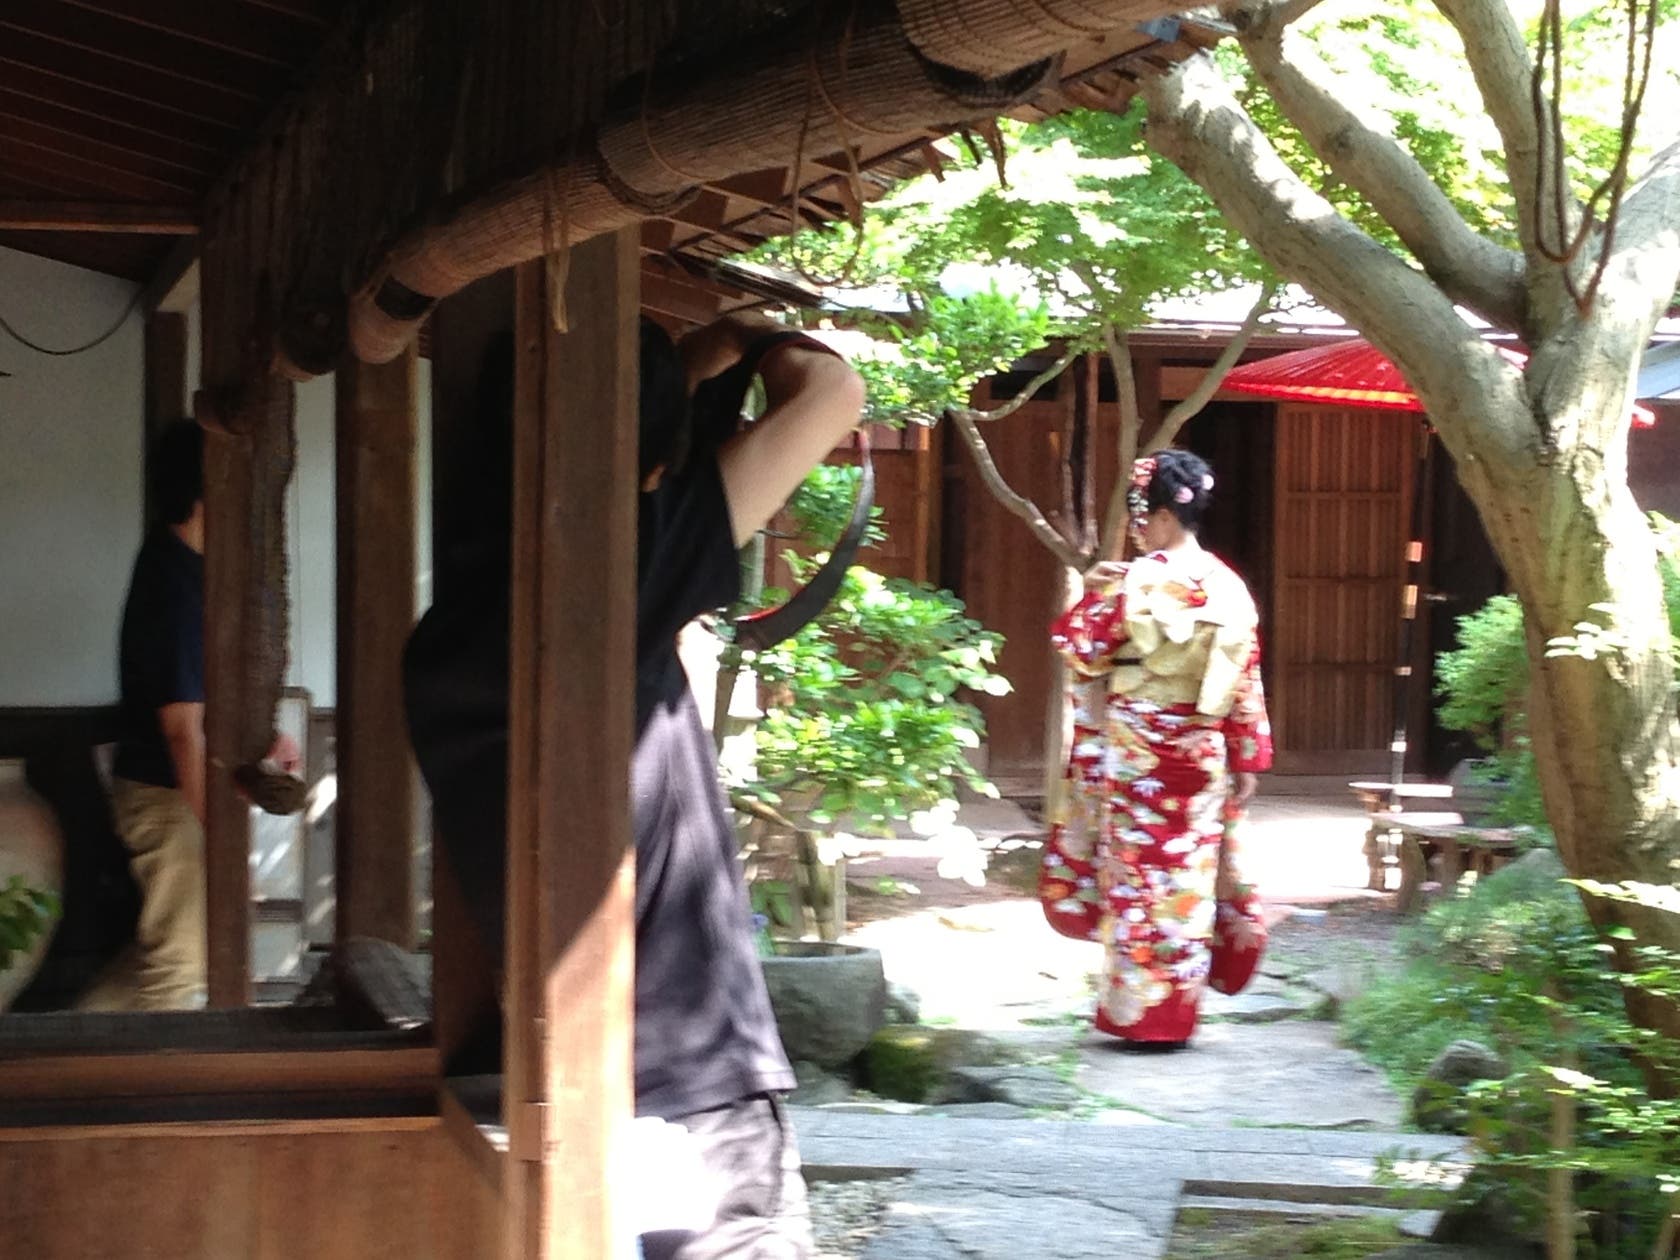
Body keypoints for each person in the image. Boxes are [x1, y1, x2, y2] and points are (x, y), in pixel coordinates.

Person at [404, 312, 864, 1259]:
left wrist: (685, 377)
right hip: (695, 1092)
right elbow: (834, 397)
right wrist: (767, 335)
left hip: (572, 1074)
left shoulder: (456, 631)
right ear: (652, 469)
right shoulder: (605, 584)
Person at [1038, 449, 1273, 1046]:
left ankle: (1136, 1013)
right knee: (1186, 882)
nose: (1138, 529)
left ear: (1165, 516)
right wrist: (1246, 754)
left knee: (1137, 880)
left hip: (1137, 752)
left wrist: (1088, 595)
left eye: (1142, 518)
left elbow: (1080, 648)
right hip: (1200, 750)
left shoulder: (1133, 580)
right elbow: (1245, 675)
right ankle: (1178, 1015)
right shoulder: (1229, 586)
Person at [80, 421, 212, 1011]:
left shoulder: (180, 565)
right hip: (165, 795)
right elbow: (182, 730)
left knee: (170, 954)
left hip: (164, 788)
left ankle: (65, 1046)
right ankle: (143, 1091)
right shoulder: (173, 583)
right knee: (177, 967)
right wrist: (221, 829)